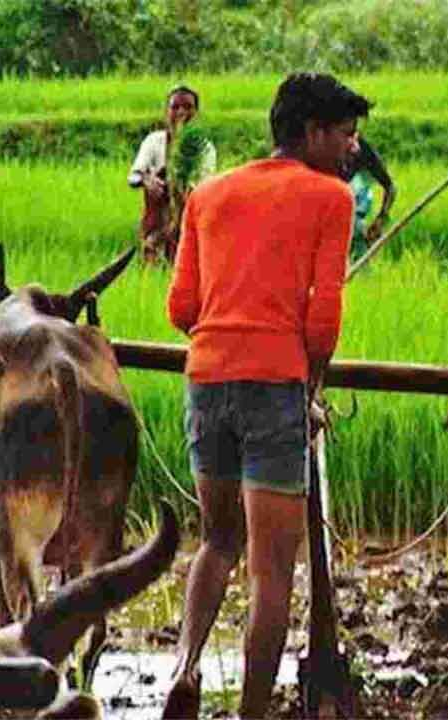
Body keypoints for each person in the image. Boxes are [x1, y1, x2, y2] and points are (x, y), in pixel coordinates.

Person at [162, 72, 366, 720]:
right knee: (271, 569)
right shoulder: (331, 198)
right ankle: (252, 712)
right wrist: (311, 380)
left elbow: (181, 307)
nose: (352, 149)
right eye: (344, 134)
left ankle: (185, 668)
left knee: (217, 542)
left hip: (207, 379)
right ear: (310, 133)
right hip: (274, 385)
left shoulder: (209, 195)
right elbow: (324, 318)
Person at [128, 85, 217, 265]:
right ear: (166, 112)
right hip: (155, 223)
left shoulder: (204, 148)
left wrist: (180, 189)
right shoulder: (154, 141)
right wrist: (147, 180)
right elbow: (133, 176)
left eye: (188, 107)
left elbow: (204, 187)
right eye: (175, 107)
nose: (181, 113)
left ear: (196, 113)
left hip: (187, 223)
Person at [338, 137, 397, 262]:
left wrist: (381, 218)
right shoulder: (319, 149)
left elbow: (390, 187)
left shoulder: (363, 149)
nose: (354, 148)